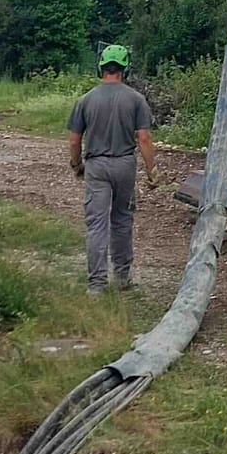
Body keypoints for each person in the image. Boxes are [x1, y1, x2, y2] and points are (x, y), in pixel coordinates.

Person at [67, 44, 158, 295]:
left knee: (97, 223)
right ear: (125, 68)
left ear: (102, 66)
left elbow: (74, 140)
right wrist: (152, 171)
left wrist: (77, 165)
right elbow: (144, 139)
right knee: (122, 220)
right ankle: (122, 276)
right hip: (125, 165)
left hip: (96, 165)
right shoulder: (136, 100)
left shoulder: (85, 100)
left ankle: (96, 284)